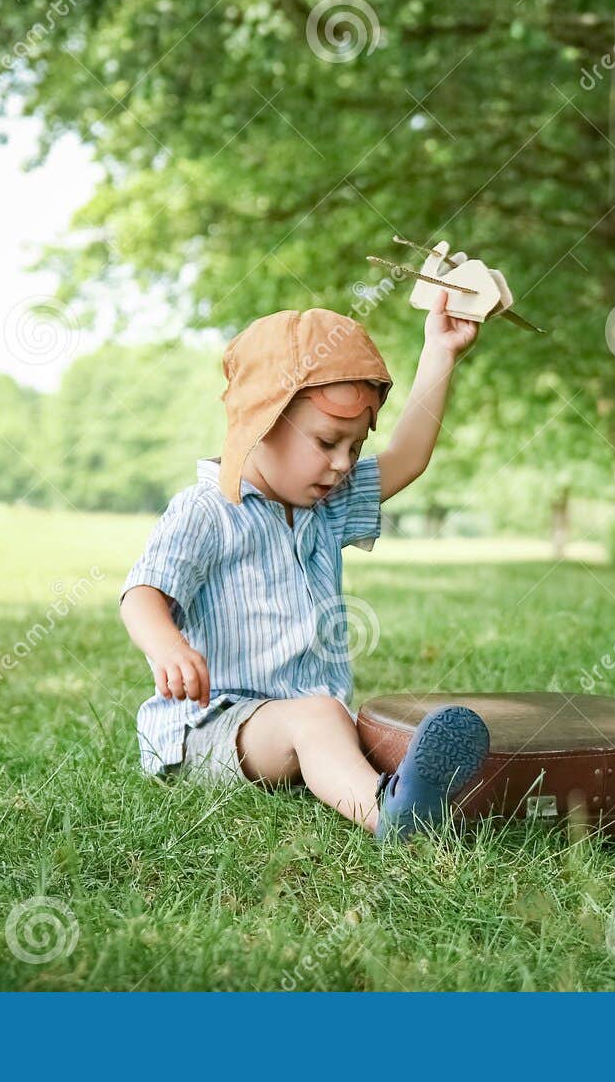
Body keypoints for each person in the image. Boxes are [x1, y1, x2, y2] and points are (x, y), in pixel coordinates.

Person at [119, 291, 489, 842]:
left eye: (355, 447)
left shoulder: (327, 506)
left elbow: (409, 455)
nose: (342, 464)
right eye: (326, 441)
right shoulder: (208, 510)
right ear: (261, 424)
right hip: (209, 729)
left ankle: (413, 786)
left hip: (299, 722)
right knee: (319, 718)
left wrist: (440, 350)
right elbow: (143, 593)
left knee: (351, 723)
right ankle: (392, 819)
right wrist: (167, 646)